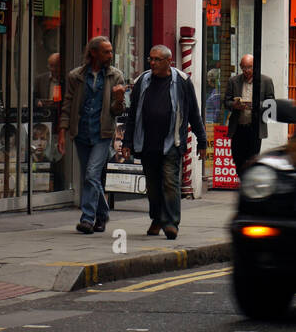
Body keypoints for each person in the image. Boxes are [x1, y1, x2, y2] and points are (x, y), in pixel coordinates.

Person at [124, 44, 206, 240]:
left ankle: (171, 223)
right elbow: (133, 114)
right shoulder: (142, 81)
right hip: (146, 143)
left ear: (169, 61)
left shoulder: (183, 82)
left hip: (172, 142)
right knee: (152, 186)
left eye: (157, 59)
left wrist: (202, 141)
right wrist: (127, 141)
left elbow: (194, 113)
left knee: (170, 182)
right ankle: (157, 218)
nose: (152, 63)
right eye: (150, 59)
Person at [59, 36, 126, 234]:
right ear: (94, 53)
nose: (110, 55)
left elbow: (117, 111)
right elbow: (68, 105)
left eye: (111, 51)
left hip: (102, 134)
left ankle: (87, 218)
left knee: (91, 174)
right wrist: (62, 132)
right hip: (81, 132)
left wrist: (119, 100)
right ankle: (102, 214)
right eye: (106, 51)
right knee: (90, 177)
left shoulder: (116, 76)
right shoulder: (76, 76)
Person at [224, 54, 275, 181]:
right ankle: (243, 180)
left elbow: (271, 103)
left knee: (252, 159)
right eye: (244, 67)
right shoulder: (233, 81)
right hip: (238, 127)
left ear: (255, 67)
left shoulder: (266, 81)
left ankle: (249, 182)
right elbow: (226, 102)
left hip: (255, 128)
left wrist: (257, 106)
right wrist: (235, 105)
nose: (247, 70)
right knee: (237, 158)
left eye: (250, 67)